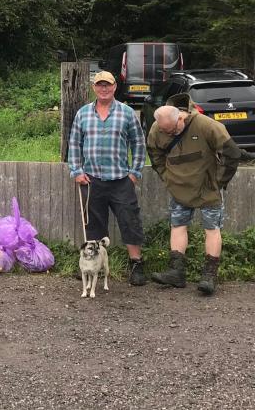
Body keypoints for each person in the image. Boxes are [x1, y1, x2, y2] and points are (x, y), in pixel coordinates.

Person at [147, 95, 246, 295]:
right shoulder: (157, 129)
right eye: (165, 131)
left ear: (181, 118)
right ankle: (176, 272)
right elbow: (155, 154)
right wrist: (167, 177)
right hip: (178, 187)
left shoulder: (207, 125)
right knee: (177, 225)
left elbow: (232, 153)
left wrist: (219, 181)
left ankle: (209, 276)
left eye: (173, 130)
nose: (169, 133)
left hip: (207, 187)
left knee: (212, 228)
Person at [68, 70, 148, 286]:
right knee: (94, 224)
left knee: (129, 220)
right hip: (92, 180)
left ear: (115, 87)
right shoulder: (82, 114)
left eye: (108, 85)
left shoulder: (127, 113)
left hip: (121, 179)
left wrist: (134, 173)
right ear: (94, 87)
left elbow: (139, 144)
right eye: (100, 85)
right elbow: (74, 144)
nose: (104, 88)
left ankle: (136, 264)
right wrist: (76, 171)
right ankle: (92, 265)